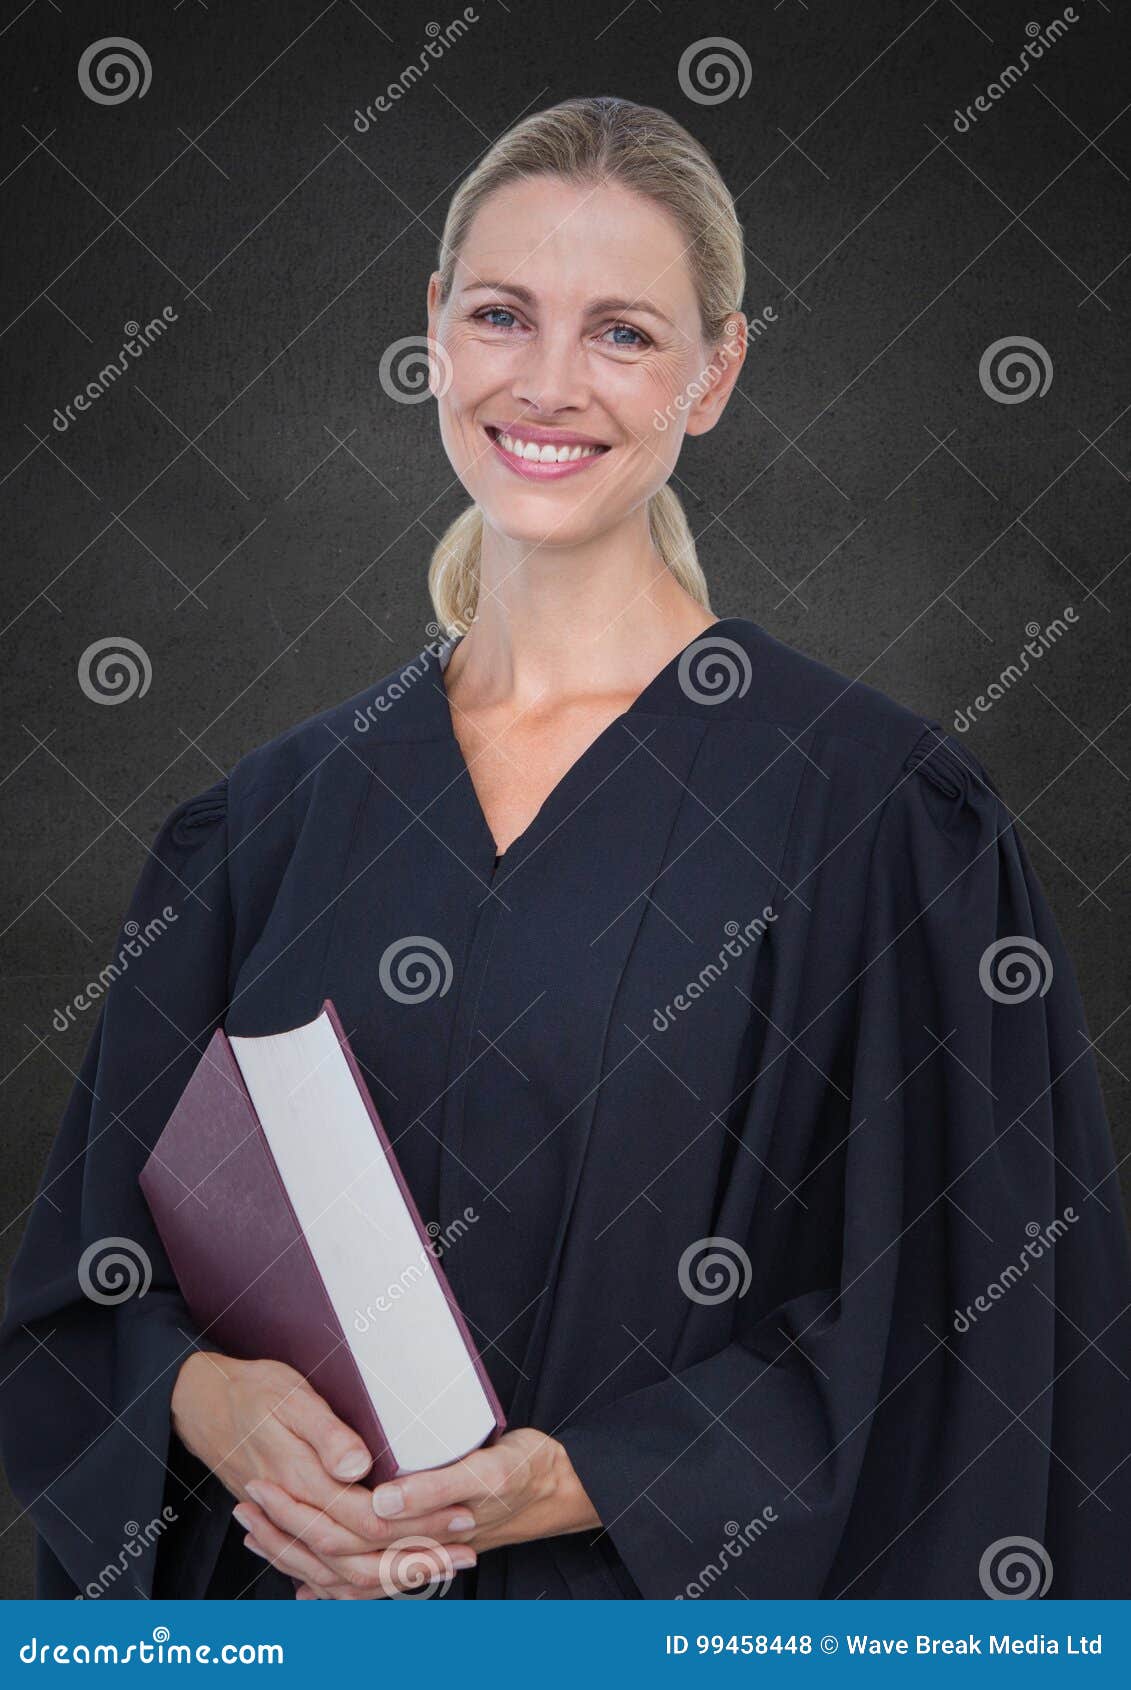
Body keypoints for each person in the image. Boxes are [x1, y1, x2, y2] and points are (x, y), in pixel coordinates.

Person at [2, 96, 1129, 1602]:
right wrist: (210, 1407)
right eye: (502, 315)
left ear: (716, 372)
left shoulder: (879, 818)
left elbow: (975, 1330)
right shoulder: (268, 824)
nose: (546, 383)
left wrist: (586, 1480)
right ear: (435, 334)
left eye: (622, 334)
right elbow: (89, 1288)